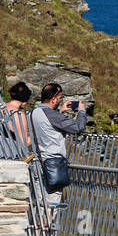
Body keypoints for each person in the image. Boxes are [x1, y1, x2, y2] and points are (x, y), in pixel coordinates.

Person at [30, 82, 88, 222]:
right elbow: (78, 127)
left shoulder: (34, 112)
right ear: (54, 98)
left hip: (38, 162)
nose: (61, 100)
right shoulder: (53, 115)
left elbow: (48, 126)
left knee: (39, 204)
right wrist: (81, 111)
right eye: (60, 97)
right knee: (50, 207)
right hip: (53, 165)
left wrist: (60, 112)